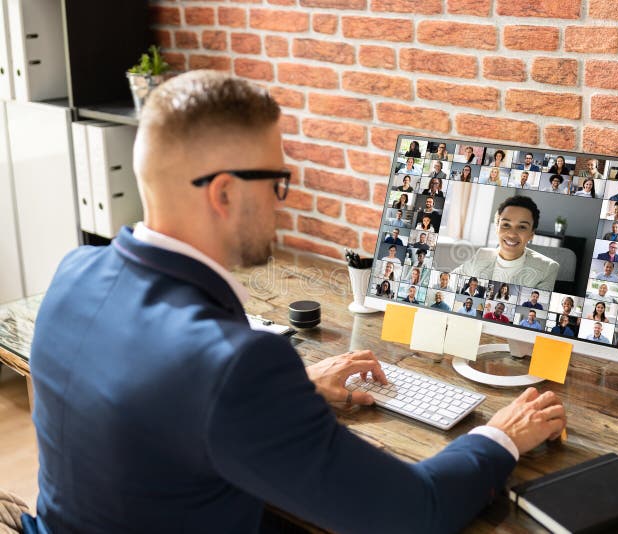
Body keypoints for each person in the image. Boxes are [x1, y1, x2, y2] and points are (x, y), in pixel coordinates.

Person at [28, 71, 568, 534]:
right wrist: (501, 436)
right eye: (276, 182)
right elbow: (411, 514)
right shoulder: (237, 367)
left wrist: (292, 397)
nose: (283, 203)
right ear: (223, 193)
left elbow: (153, 404)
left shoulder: (75, 272)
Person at [452, 196, 559, 290]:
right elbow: (450, 282)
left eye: (522, 227)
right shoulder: (481, 255)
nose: (512, 234)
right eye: (506, 225)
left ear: (531, 234)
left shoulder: (548, 268)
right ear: (497, 228)